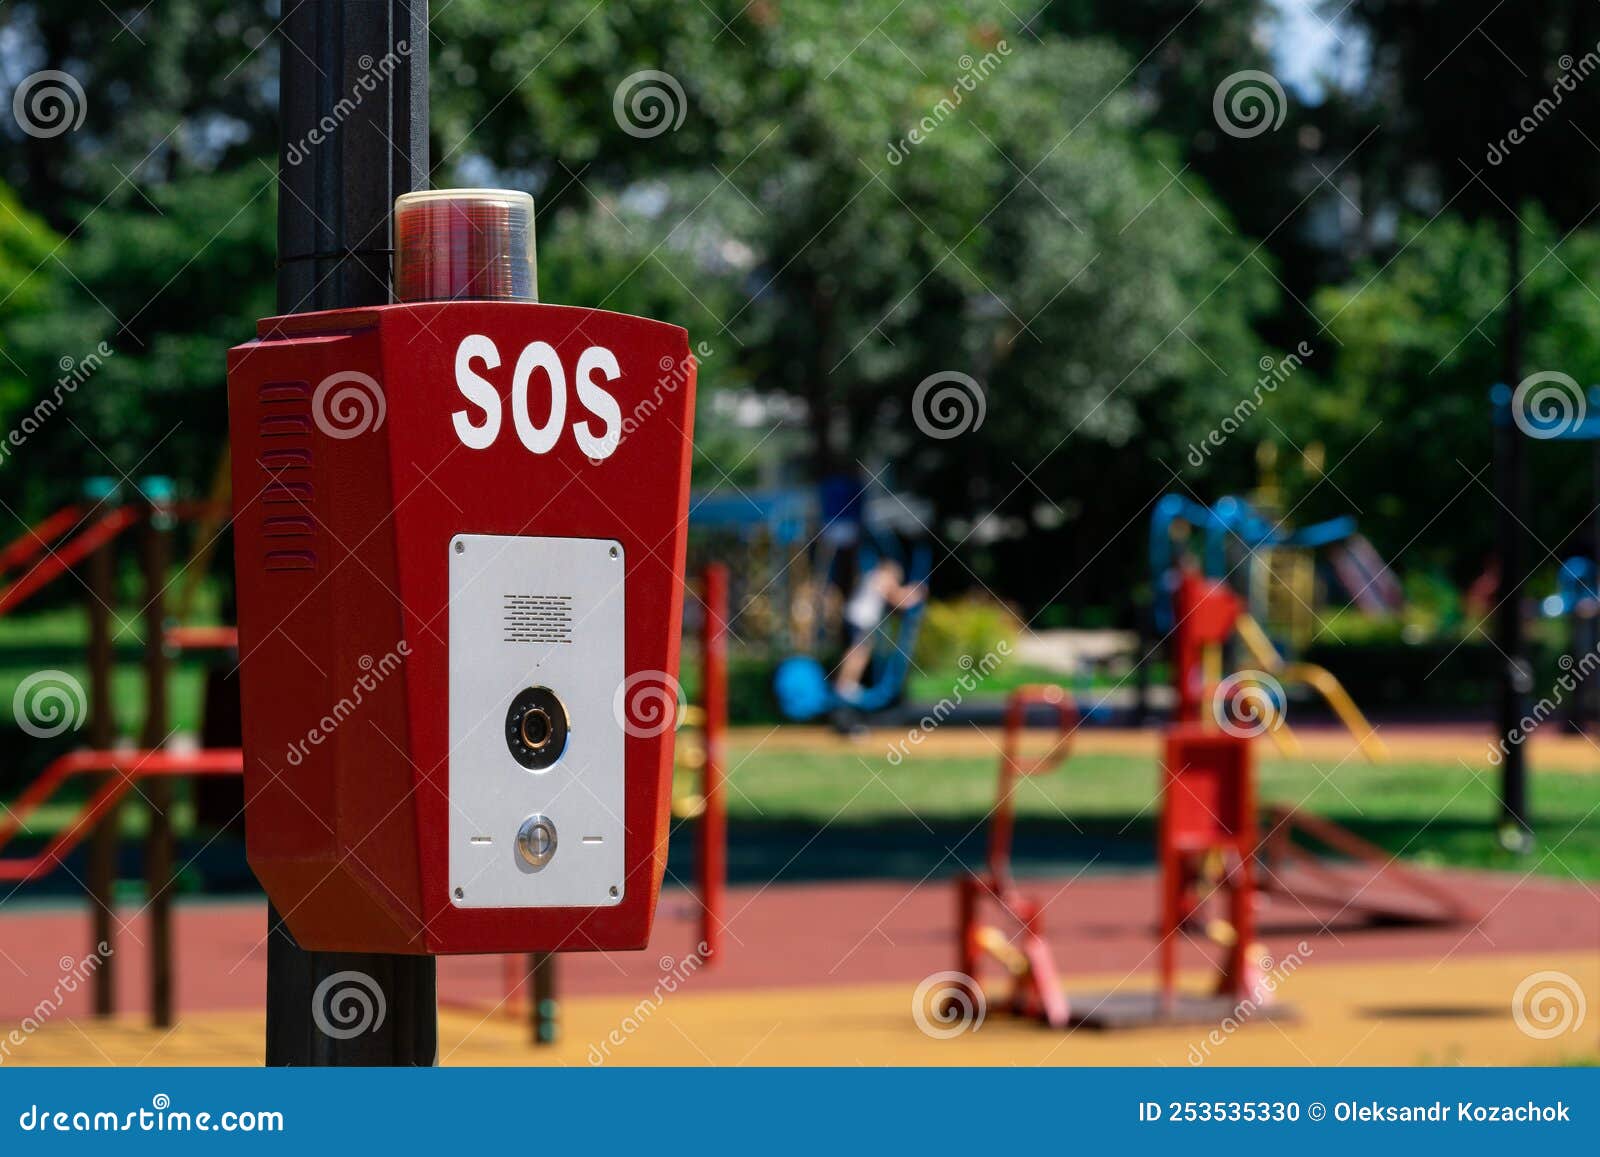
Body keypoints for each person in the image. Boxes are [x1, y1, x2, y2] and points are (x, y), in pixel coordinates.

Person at [835, 559, 926, 696]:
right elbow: (898, 599)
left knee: (856, 652)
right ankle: (846, 687)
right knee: (858, 653)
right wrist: (916, 593)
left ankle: (845, 685)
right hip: (861, 620)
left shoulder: (872, 575)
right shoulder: (883, 577)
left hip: (854, 617)